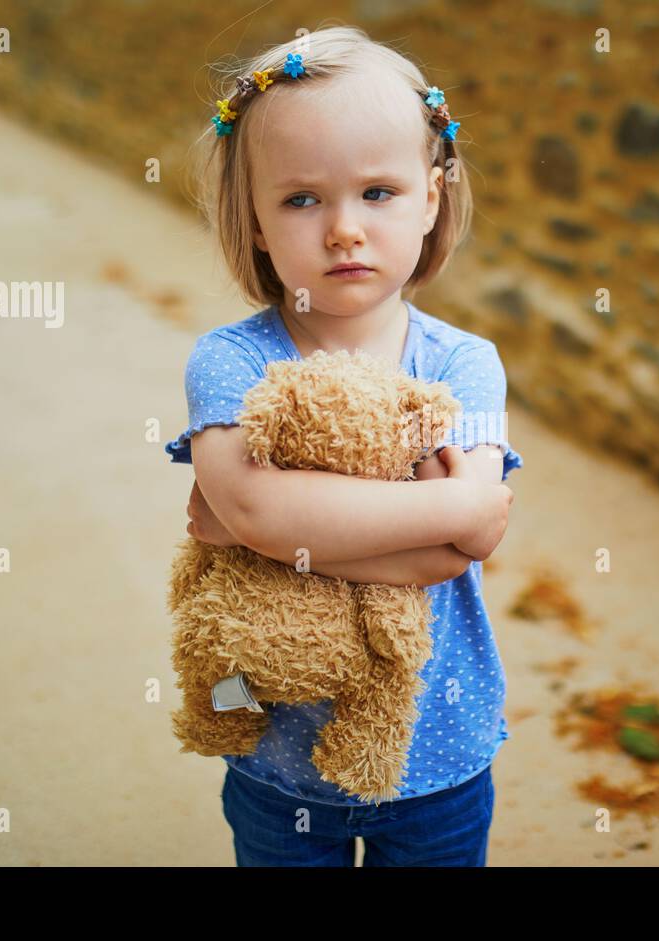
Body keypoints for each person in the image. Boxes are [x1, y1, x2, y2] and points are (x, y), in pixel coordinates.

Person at [165, 25, 523, 866]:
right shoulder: (234, 361)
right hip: (273, 759)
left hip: (440, 750)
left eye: (378, 193)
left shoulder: (464, 364)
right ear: (252, 220)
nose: (343, 231)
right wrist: (449, 505)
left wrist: (297, 529)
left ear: (431, 199)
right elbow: (256, 509)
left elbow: (460, 550)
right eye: (301, 199)